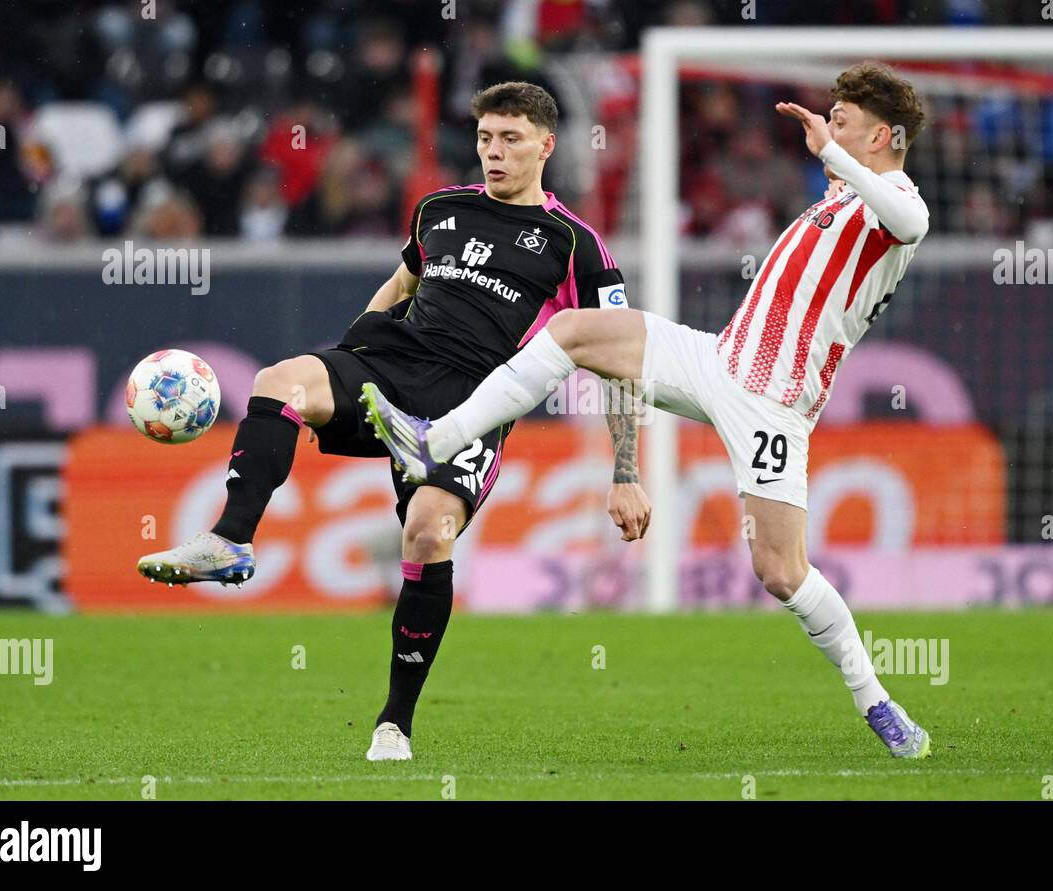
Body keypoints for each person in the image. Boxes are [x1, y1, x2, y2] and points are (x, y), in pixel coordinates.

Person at [365, 62, 933, 758]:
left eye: (842, 120)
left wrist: (832, 151)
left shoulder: (892, 201)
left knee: (780, 570)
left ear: (882, 135)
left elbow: (912, 217)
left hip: (774, 404)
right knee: (572, 331)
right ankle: (438, 437)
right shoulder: (842, 195)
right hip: (716, 358)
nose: (827, 129)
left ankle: (875, 698)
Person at [137, 82, 650, 761]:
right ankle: (229, 540)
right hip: (391, 364)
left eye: (511, 139)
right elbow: (402, 285)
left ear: (547, 146)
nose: (494, 153)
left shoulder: (576, 247)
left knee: (427, 531)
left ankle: (394, 724)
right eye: (485, 138)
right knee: (280, 380)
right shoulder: (440, 210)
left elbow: (618, 362)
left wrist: (626, 471)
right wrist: (349, 352)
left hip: (474, 401)